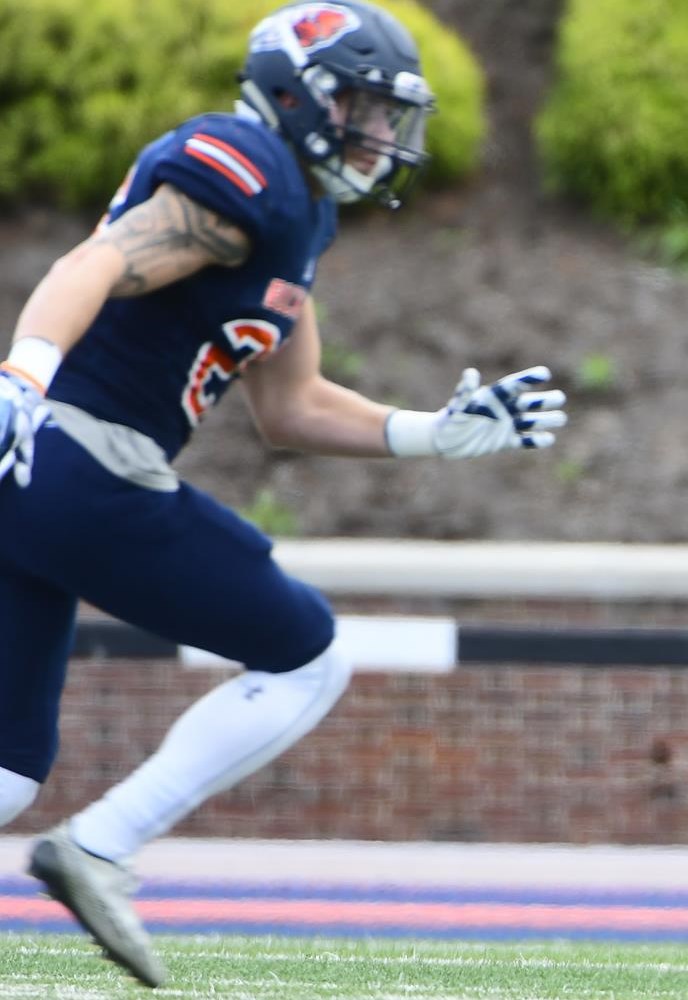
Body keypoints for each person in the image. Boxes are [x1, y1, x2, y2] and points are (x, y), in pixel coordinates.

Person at [0, 1, 566, 987]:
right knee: (306, 652)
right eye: (364, 106)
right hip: (75, 454)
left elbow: (291, 405)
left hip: (44, 474)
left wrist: (433, 433)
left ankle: (89, 843)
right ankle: (97, 847)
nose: (382, 134)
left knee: (4, 773)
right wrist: (23, 377)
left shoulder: (295, 211)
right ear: (300, 93)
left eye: (390, 114)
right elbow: (91, 261)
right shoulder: (246, 165)